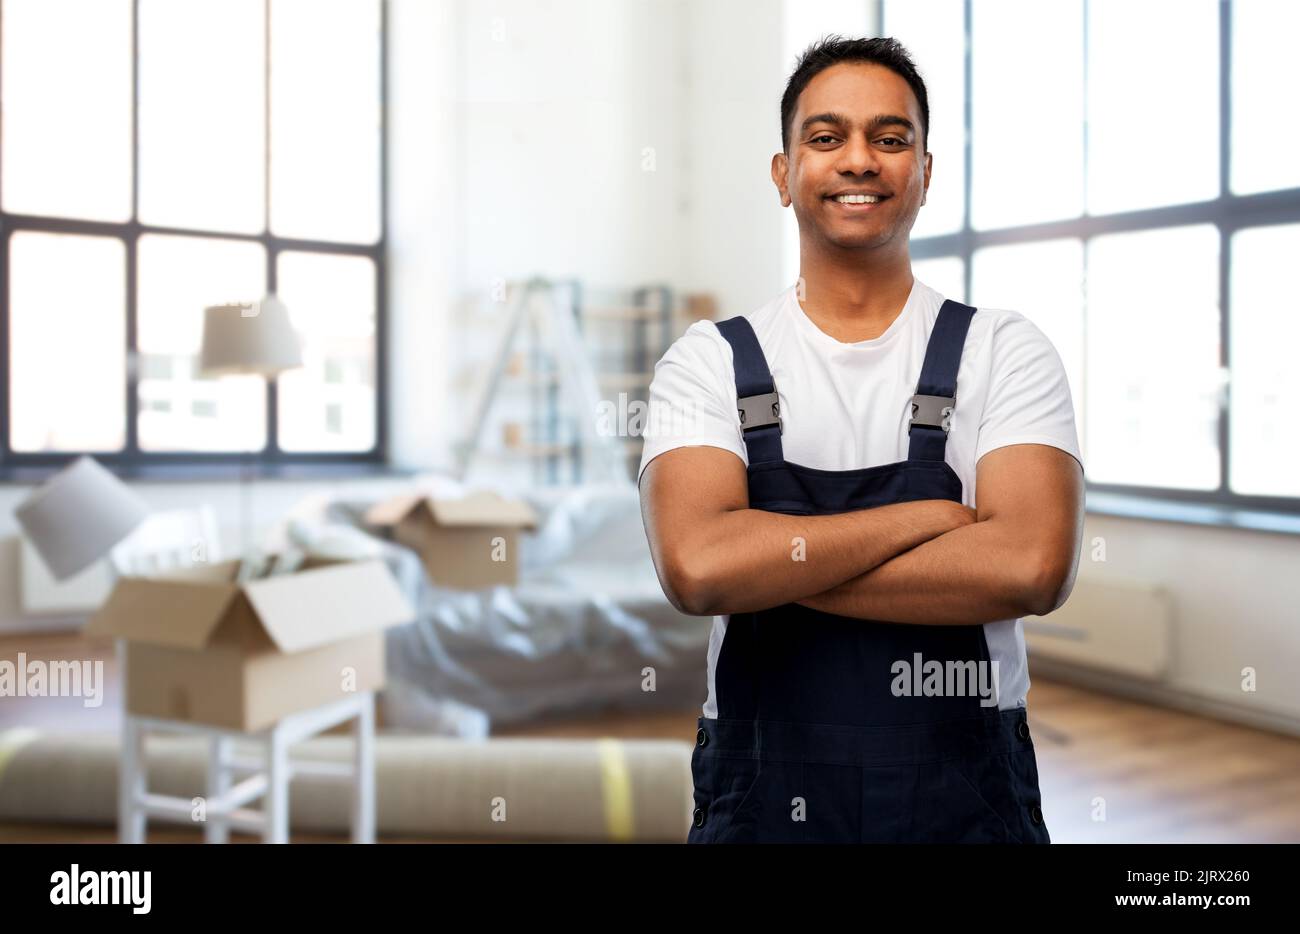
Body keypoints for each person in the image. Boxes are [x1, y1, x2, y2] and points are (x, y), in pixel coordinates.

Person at [637, 35, 1085, 843]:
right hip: (763, 788)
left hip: (964, 789)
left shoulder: (1003, 350)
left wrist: (765, 559)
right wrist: (925, 520)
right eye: (825, 136)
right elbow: (700, 570)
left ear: (924, 172)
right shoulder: (709, 360)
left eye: (889, 138)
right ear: (783, 174)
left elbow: (1030, 566)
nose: (859, 160)